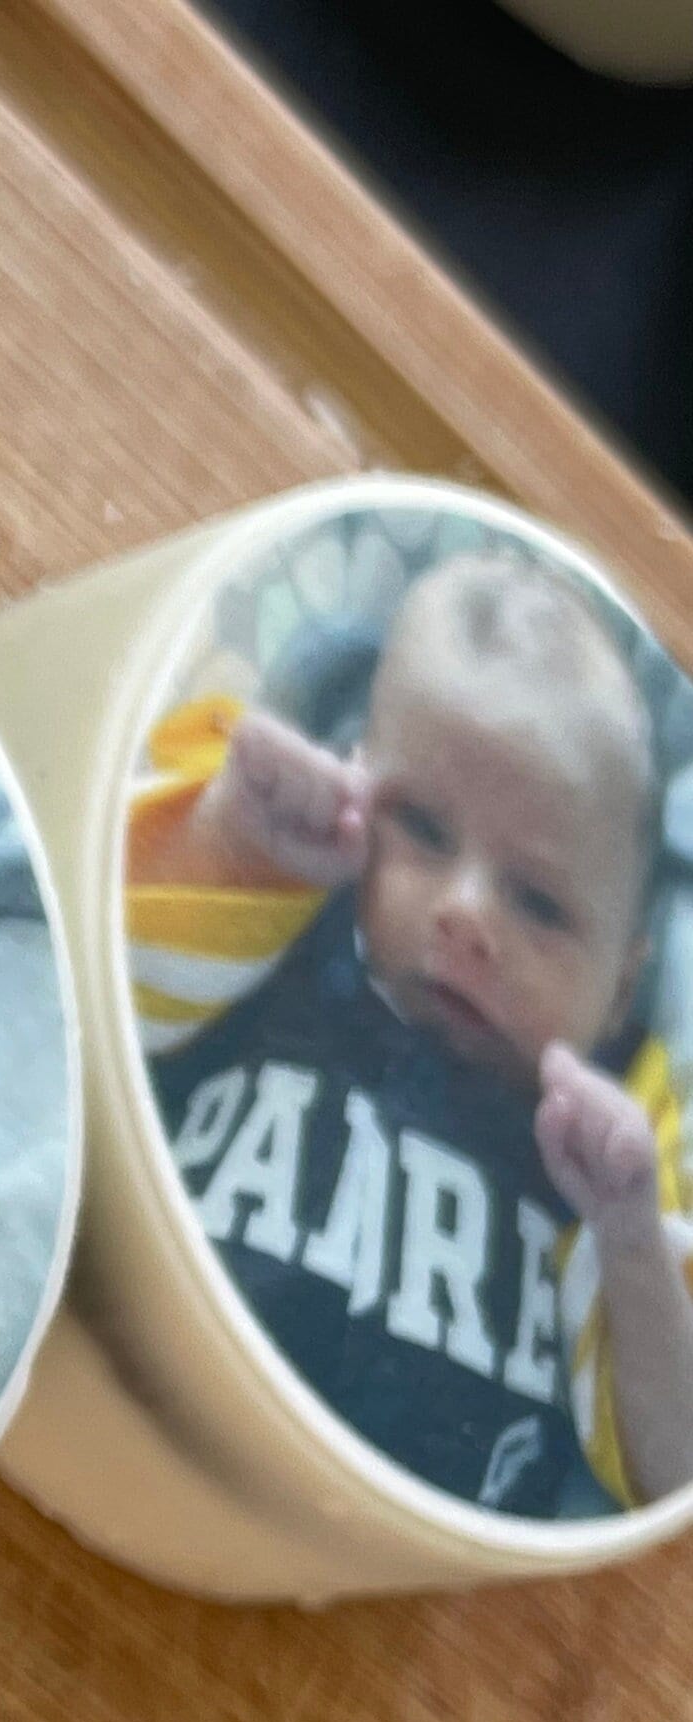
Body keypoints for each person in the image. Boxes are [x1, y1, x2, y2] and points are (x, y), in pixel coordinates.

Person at [127, 547, 693, 1514]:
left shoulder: (614, 1140)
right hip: (154, 1429)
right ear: (355, 781)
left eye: (540, 903)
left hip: (402, 1590)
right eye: (423, 830)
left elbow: (669, 1470)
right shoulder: (285, 928)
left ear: (620, 985)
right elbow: (109, 1003)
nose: (467, 913)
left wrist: (632, 1237)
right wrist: (239, 838)